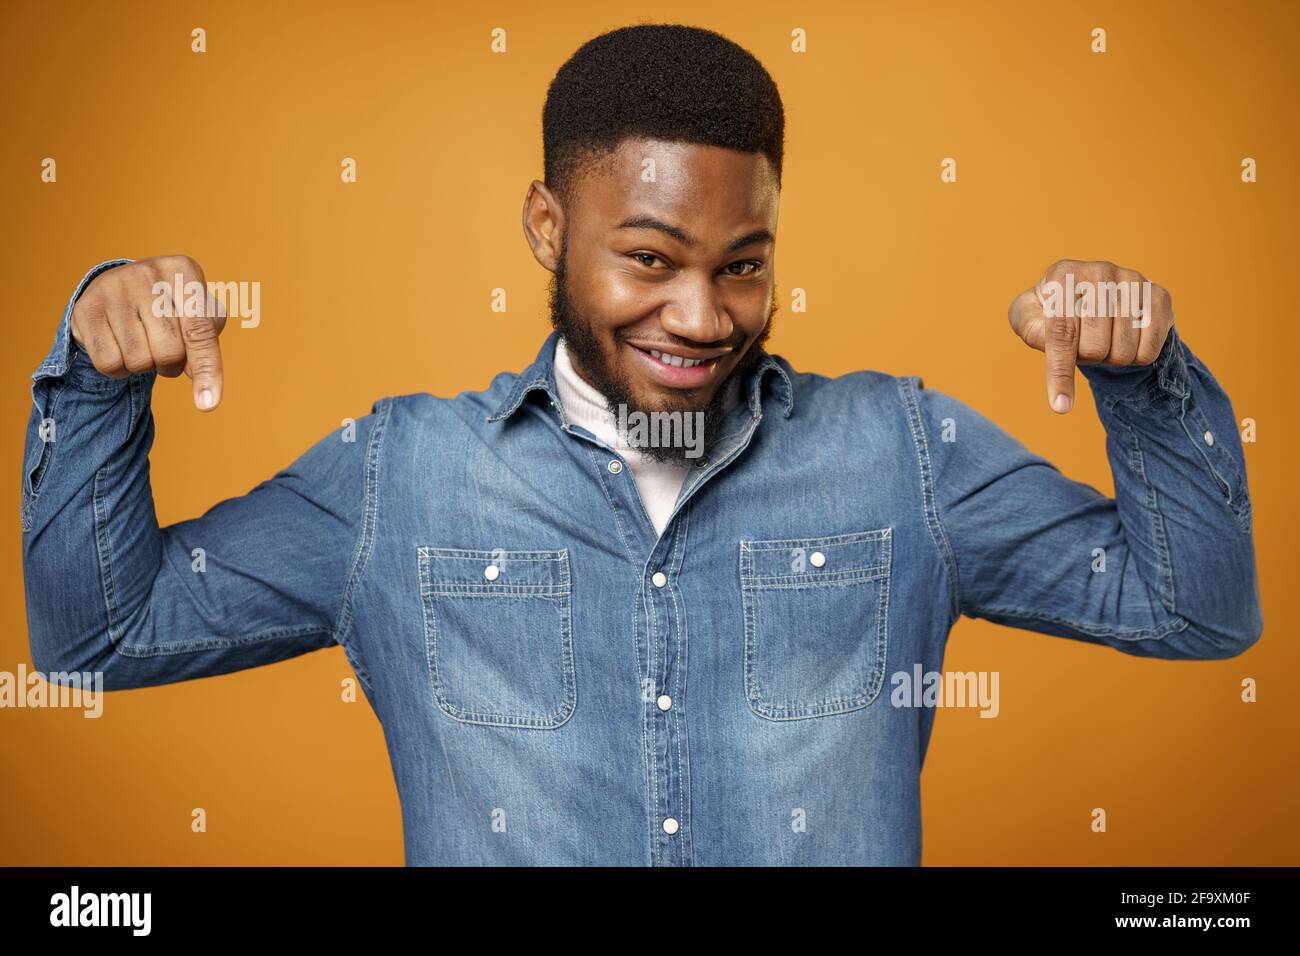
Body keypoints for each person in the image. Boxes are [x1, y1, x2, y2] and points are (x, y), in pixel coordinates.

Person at [20, 23, 1261, 866]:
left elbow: (1191, 609)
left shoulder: (900, 452)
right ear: (548, 226)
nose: (702, 315)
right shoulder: (404, 477)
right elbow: (97, 635)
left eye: (744, 265)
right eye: (651, 259)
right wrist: (95, 383)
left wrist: (1139, 378)